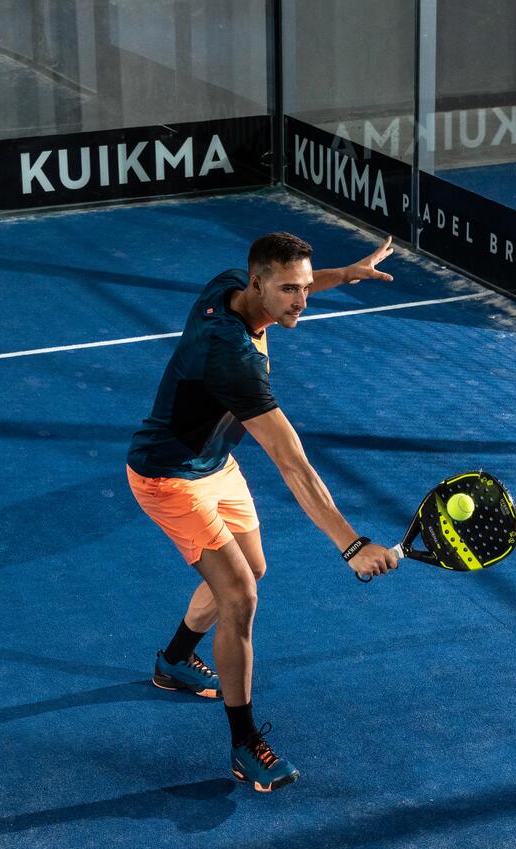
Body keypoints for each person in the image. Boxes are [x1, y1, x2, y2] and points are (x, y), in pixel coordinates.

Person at [127, 231, 399, 792]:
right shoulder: (233, 358)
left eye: (304, 287)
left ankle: (174, 661)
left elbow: (289, 286)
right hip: (168, 478)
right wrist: (352, 545)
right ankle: (244, 742)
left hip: (214, 465)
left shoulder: (229, 287)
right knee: (240, 596)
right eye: (288, 291)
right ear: (258, 285)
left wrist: (345, 274)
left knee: (254, 570)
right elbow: (292, 464)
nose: (300, 301)